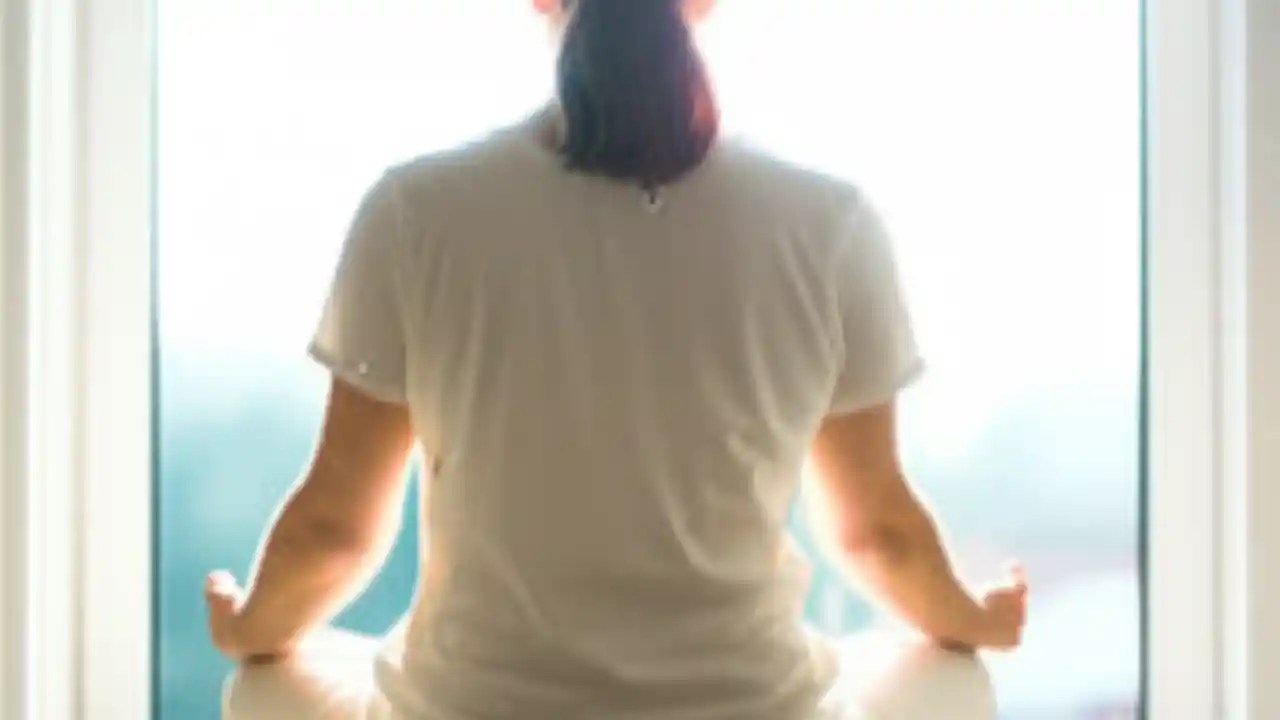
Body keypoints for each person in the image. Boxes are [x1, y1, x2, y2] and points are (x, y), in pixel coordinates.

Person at [205, 0, 1029, 718]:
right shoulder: (830, 222)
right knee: (947, 673)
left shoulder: (415, 211)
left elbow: (336, 528)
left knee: (266, 680)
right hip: (749, 708)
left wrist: (247, 626)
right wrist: (976, 618)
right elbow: (877, 533)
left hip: (475, 708)